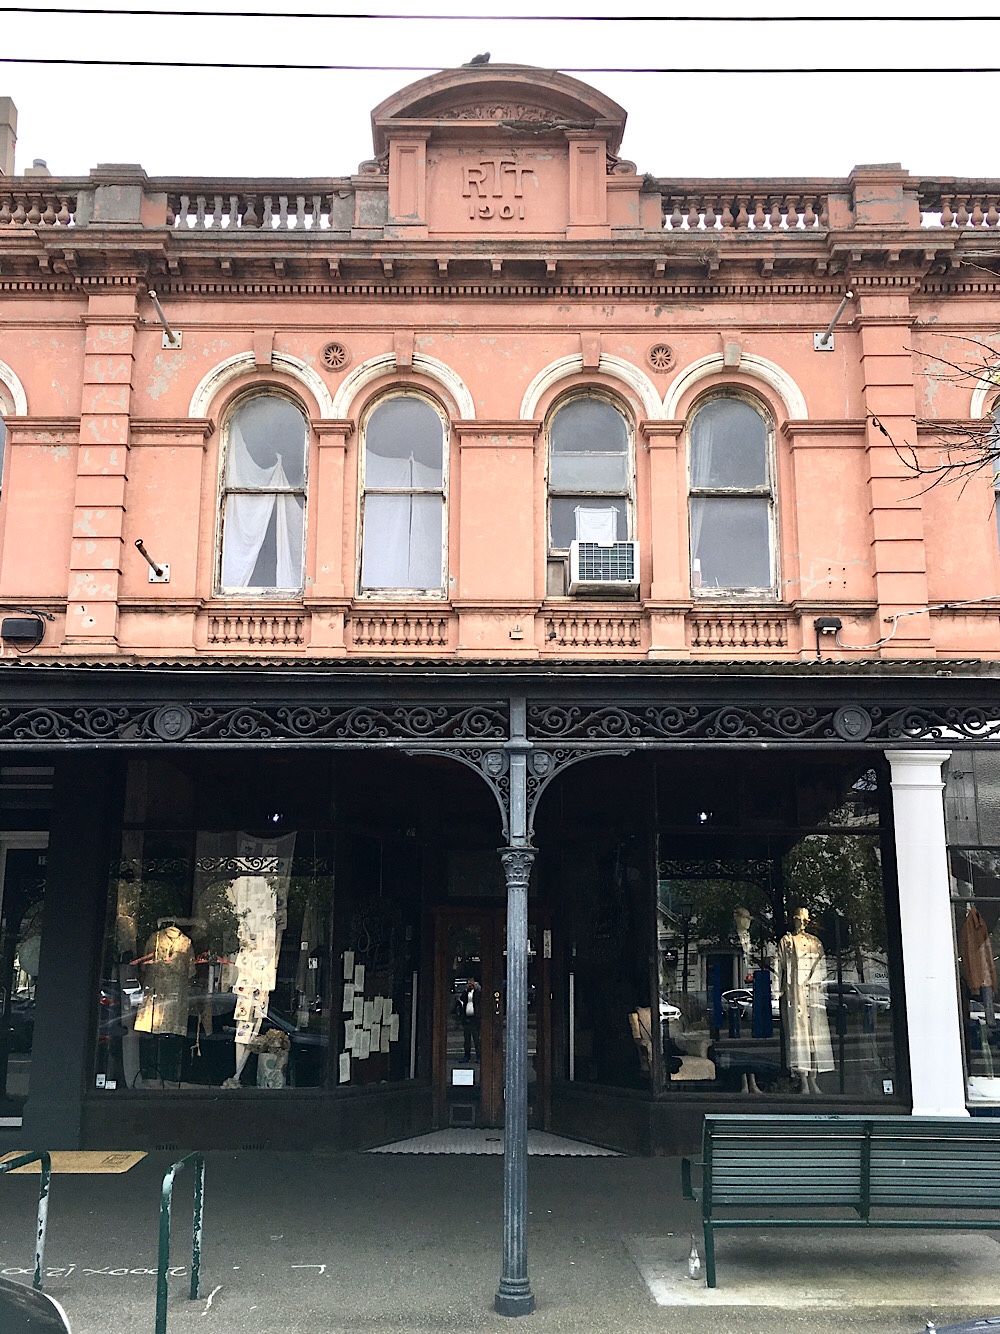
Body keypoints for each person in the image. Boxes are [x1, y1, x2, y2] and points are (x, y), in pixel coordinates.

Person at [455, 978, 482, 1062]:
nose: (470, 984)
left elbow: (480, 999)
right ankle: (467, 1056)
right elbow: (462, 999)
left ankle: (479, 1056)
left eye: (471, 983)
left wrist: (476, 989)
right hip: (467, 1018)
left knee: (476, 1038)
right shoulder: (466, 992)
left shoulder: (478, 992)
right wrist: (467, 990)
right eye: (468, 983)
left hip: (475, 1018)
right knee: (467, 1039)